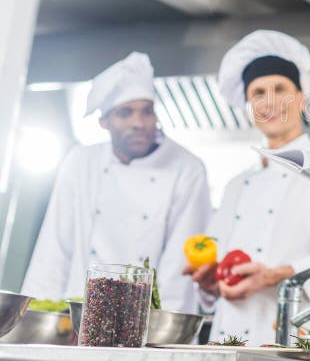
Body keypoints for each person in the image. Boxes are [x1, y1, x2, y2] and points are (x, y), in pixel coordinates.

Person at [187, 30, 310, 346]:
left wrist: (276, 275)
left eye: (280, 89)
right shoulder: (235, 186)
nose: (269, 101)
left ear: (300, 99)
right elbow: (219, 280)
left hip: (296, 344)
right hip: (229, 345)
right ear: (248, 106)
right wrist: (209, 282)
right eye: (258, 93)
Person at [23, 52, 212, 312]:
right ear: (104, 122)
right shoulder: (81, 161)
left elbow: (177, 269)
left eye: (147, 111)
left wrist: (163, 334)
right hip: (79, 311)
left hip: (144, 317)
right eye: (126, 113)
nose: (139, 122)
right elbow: (54, 247)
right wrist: (35, 316)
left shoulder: (187, 168)